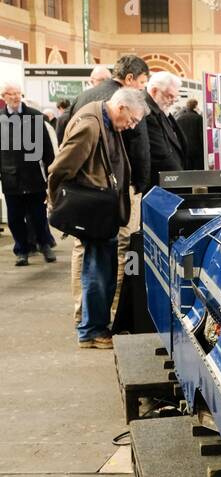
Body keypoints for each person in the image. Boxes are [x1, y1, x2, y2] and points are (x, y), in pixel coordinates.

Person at [47, 88, 148, 347]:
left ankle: (95, 326)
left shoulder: (105, 119)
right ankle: (92, 331)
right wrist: (57, 201)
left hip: (103, 210)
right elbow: (60, 168)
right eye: (132, 120)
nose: (131, 126)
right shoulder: (91, 126)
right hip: (93, 212)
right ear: (121, 107)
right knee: (96, 272)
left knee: (103, 269)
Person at [69, 55, 150, 324]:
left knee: (84, 251)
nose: (142, 88)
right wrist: (139, 183)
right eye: (142, 82)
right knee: (117, 250)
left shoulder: (87, 97)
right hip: (114, 191)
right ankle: (109, 314)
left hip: (86, 192)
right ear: (129, 80)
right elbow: (138, 148)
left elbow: (66, 136)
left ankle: (83, 314)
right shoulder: (127, 102)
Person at [0, 81, 58, 266]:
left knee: (38, 214)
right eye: (11, 94)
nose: (16, 97)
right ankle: (22, 250)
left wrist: (51, 173)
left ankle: (45, 244)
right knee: (15, 217)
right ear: (3, 97)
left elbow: (47, 149)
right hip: (11, 178)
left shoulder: (35, 117)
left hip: (33, 176)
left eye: (18, 93)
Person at [143, 73, 187, 192]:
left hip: (169, 180)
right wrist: (183, 181)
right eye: (169, 96)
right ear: (154, 91)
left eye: (174, 97)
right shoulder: (147, 112)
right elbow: (160, 154)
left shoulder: (160, 109)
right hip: (160, 184)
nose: (173, 101)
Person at [176, 96, 205, 169]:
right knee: (199, 171)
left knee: (187, 171)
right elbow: (201, 135)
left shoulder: (179, 118)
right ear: (195, 106)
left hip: (184, 149)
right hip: (197, 151)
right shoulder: (198, 118)